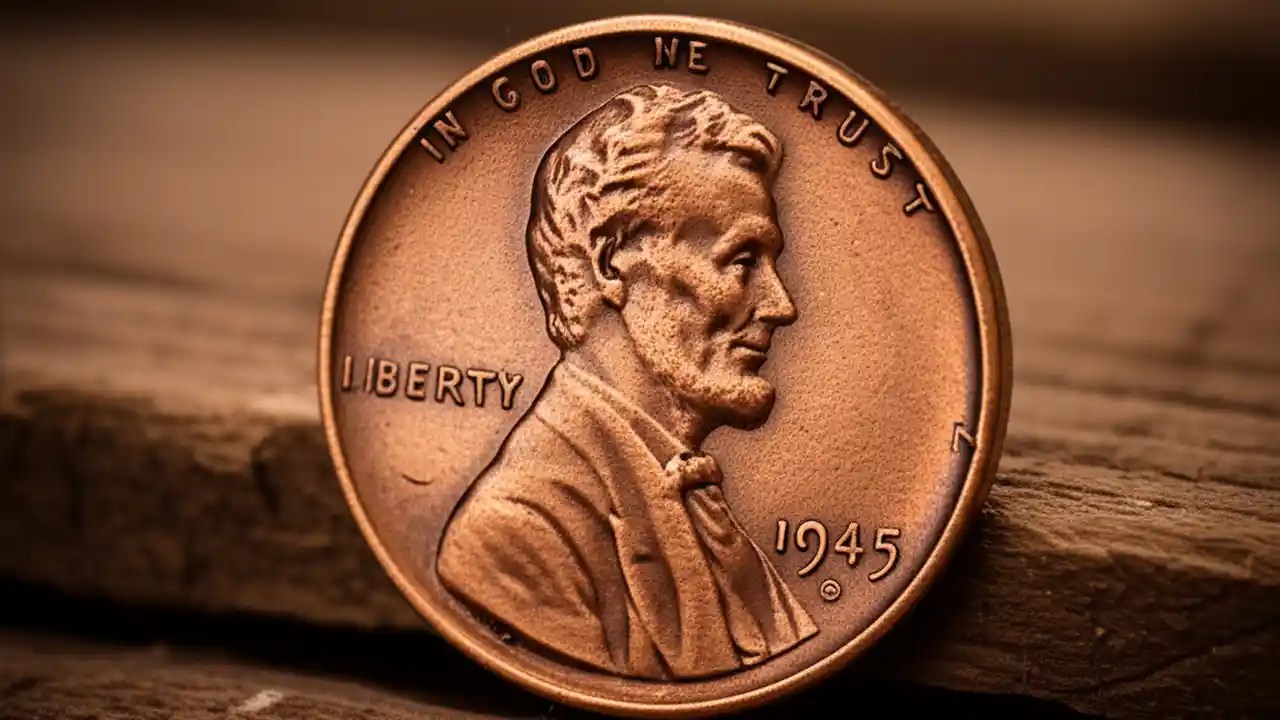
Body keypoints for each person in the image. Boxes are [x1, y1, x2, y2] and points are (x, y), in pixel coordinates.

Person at [437, 84, 816, 679]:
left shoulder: (695, 499)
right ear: (610, 263)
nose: (780, 303)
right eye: (740, 261)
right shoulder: (515, 534)